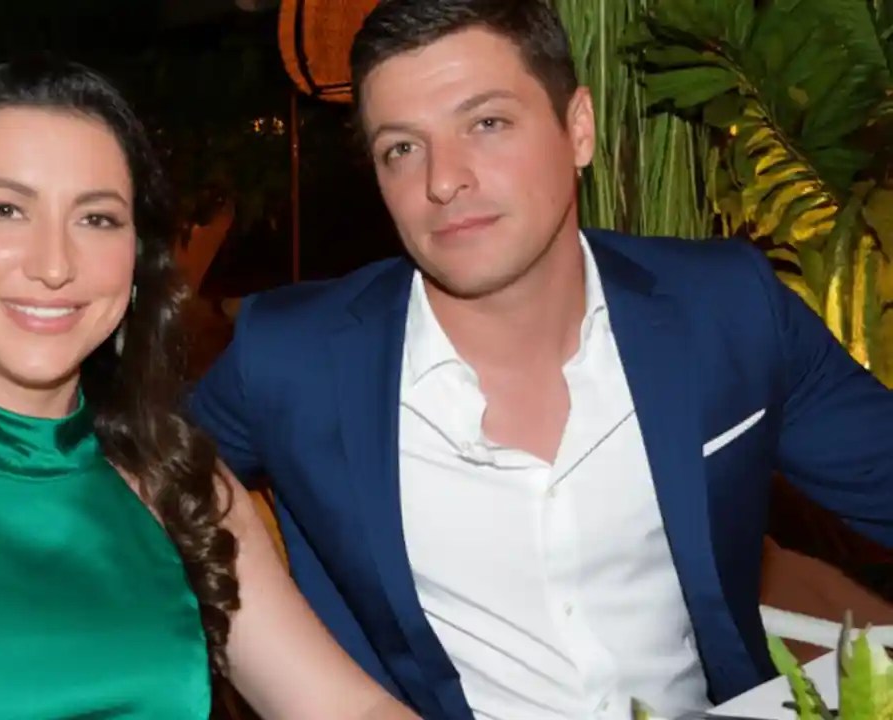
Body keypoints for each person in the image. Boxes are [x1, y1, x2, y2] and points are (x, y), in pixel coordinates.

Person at [188, 0, 893, 718]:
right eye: (402, 147)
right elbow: (130, 481)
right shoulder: (294, 358)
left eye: (487, 123)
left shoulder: (724, 310)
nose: (442, 179)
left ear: (578, 128)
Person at [0, 57, 418, 720]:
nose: (55, 265)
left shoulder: (183, 484)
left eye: (96, 218)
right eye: (4, 210)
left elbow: (345, 705)